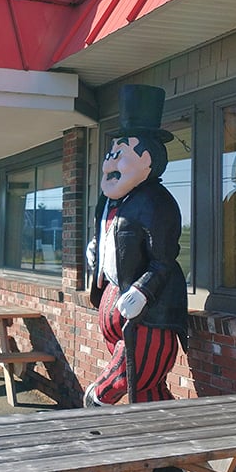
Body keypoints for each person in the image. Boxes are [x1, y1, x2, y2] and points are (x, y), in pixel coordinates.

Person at [83, 84, 188, 406]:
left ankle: (91, 421)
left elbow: (164, 258)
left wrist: (142, 291)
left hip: (149, 312)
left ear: (148, 160)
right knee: (147, 392)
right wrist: (95, 250)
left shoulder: (157, 202)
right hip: (112, 296)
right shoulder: (110, 201)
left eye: (120, 154)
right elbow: (113, 236)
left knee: (120, 382)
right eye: (109, 154)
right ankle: (164, 444)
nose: (109, 162)